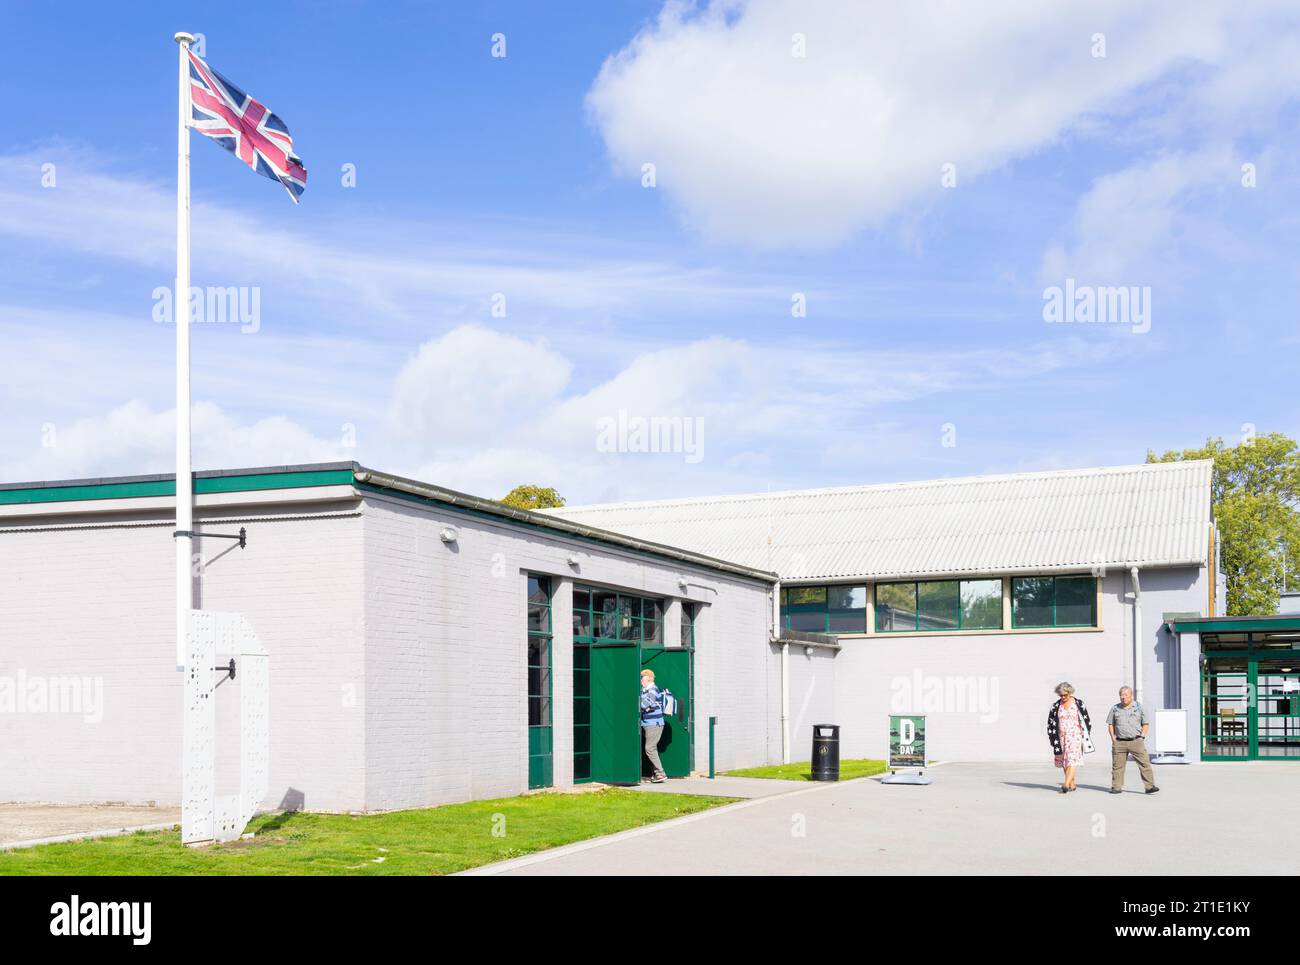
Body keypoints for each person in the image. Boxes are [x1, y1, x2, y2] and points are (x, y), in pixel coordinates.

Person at [1106, 686, 1159, 795]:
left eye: (1126, 695)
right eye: (1121, 695)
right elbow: (1110, 724)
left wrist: (1142, 736)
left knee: (1144, 764)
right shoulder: (1115, 708)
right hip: (1119, 742)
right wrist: (1113, 738)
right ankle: (1116, 787)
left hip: (1136, 741)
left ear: (1131, 696)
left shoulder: (1139, 707)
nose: (1123, 697)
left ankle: (1149, 786)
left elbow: (1145, 723)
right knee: (1117, 766)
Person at [1046, 681, 1092, 793]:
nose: (1063, 697)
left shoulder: (1078, 703)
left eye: (1065, 695)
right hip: (1061, 737)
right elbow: (1050, 723)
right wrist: (1052, 737)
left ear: (1070, 692)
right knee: (1064, 760)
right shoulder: (1055, 706)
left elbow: (1087, 720)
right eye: (1060, 695)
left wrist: (1085, 735)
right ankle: (1072, 782)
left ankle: (1066, 784)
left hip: (1075, 736)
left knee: (1072, 759)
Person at [639, 668, 667, 783]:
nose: (641, 680)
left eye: (642, 678)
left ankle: (660, 773)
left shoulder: (653, 690)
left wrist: (644, 707)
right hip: (647, 723)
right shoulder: (644, 690)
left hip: (654, 724)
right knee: (651, 748)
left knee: (650, 748)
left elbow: (643, 705)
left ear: (648, 679)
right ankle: (656, 773)